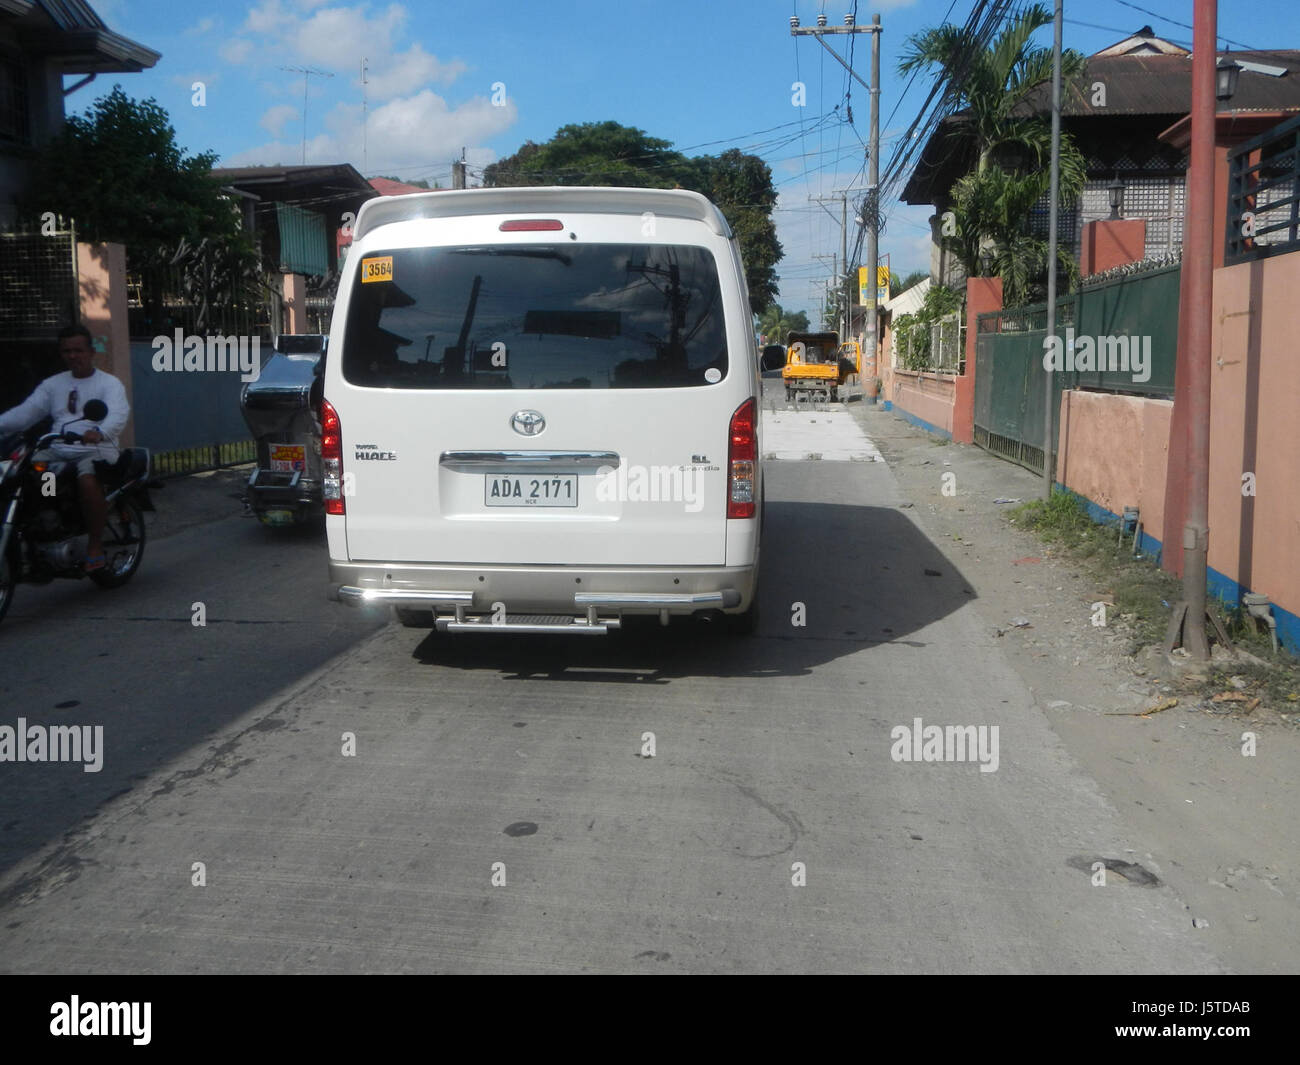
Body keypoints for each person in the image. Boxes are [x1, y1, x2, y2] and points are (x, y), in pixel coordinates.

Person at [0, 323, 130, 571]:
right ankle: (48, 520)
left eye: (78, 350)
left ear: (91, 352)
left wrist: (100, 432)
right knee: (33, 471)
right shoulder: (53, 384)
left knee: (87, 479)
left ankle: (94, 543)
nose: (73, 356)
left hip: (95, 449)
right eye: (67, 351)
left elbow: (118, 414)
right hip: (57, 447)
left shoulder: (109, 384)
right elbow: (26, 413)